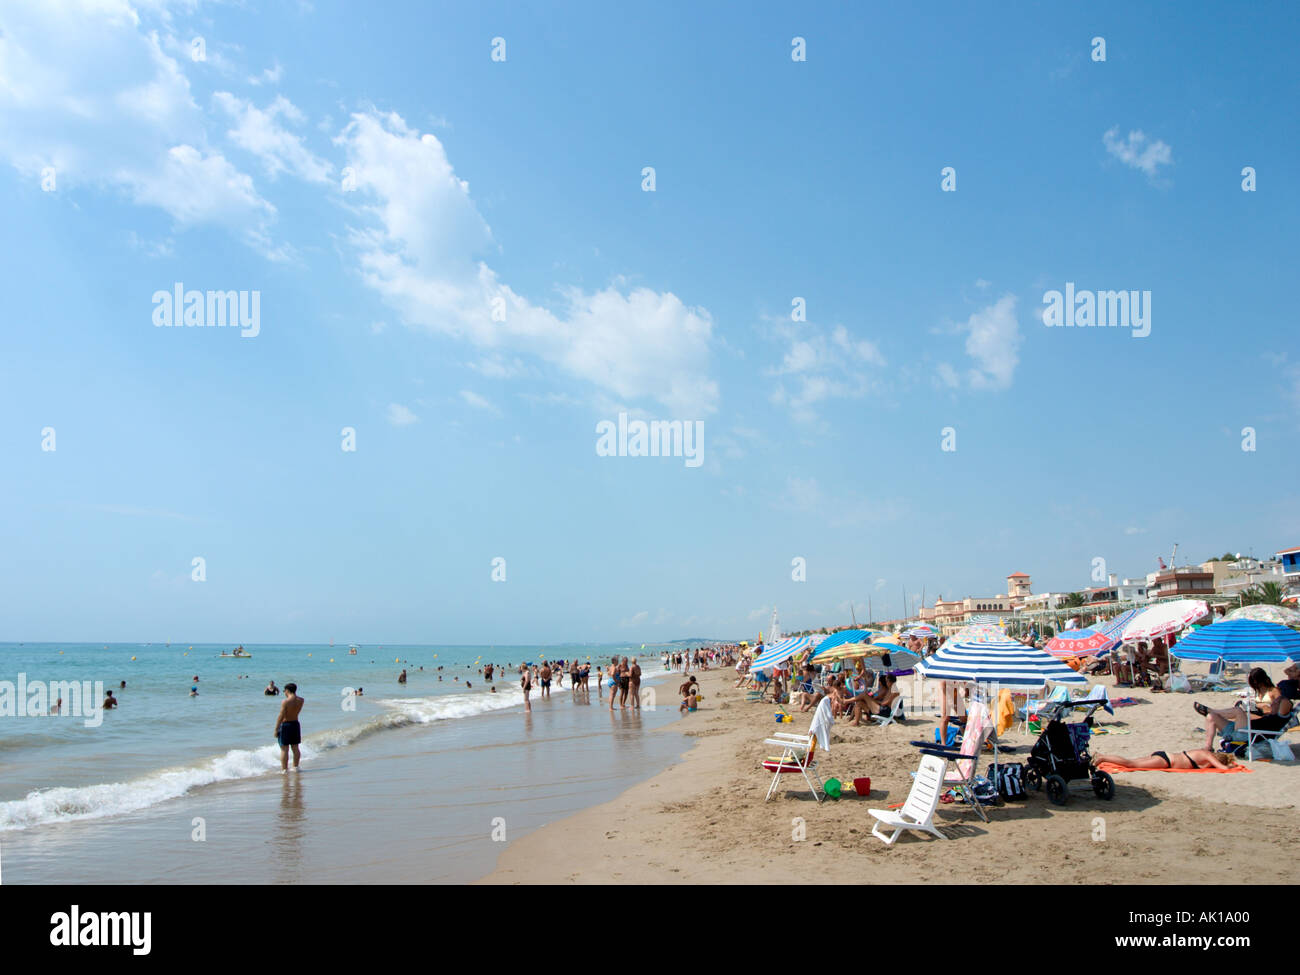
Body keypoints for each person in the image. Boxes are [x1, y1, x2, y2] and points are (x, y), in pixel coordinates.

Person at [1194, 668, 1294, 751]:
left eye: (1277, 702)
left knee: (1238, 711)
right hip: (1238, 730)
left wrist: (1265, 707)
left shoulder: (1278, 713)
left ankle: (1212, 710)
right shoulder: (1273, 712)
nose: (1274, 702)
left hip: (1246, 734)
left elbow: (1284, 703)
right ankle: (1208, 747)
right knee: (1211, 717)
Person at [1092, 749, 1237, 771]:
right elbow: (1222, 768)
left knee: (1131, 761)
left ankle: (1103, 756)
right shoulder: (1208, 756)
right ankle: (1102, 757)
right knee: (1131, 764)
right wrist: (1232, 767)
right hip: (1166, 761)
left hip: (1165, 755)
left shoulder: (1203, 753)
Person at [274, 683, 305, 771]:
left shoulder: (286, 701)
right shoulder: (301, 700)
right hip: (295, 724)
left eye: (284, 691)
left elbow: (281, 716)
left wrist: (276, 729)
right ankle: (296, 767)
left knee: (284, 749)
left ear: (287, 690)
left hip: (286, 725)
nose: (284, 692)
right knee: (295, 747)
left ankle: (284, 770)